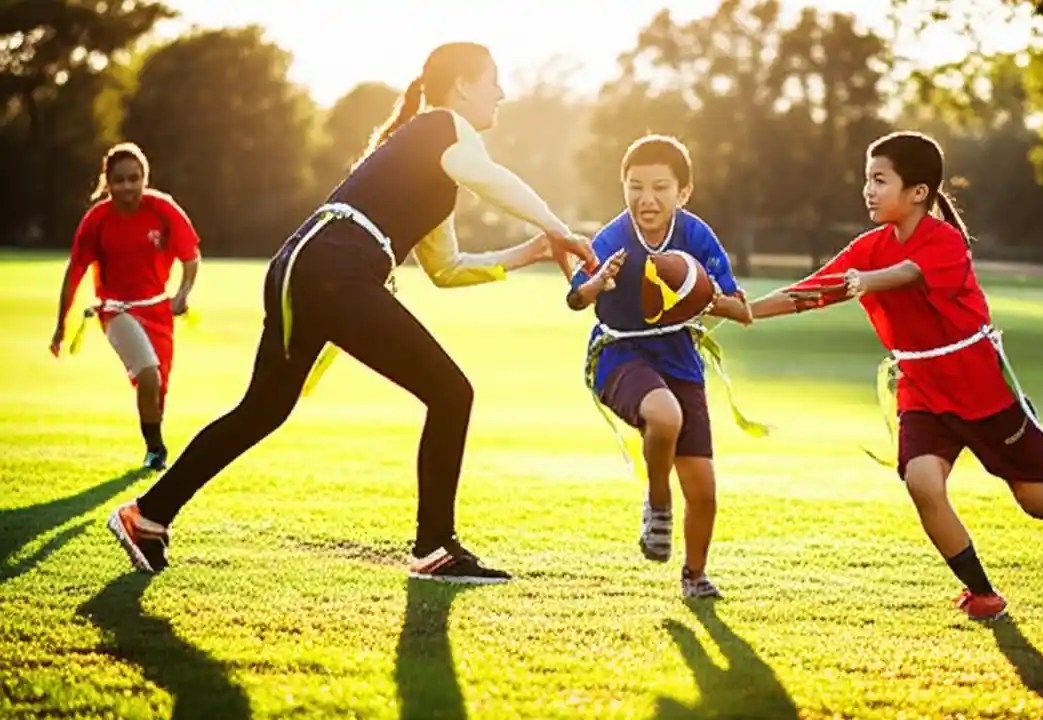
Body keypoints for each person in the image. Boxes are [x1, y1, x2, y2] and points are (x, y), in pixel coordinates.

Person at [106, 42, 596, 582]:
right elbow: (491, 178)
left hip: (308, 265)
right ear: (461, 86)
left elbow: (447, 268)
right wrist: (557, 226)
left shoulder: (436, 163)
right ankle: (435, 547)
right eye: (493, 80)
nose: (502, 93)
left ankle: (147, 516)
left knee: (263, 409)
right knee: (451, 392)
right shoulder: (445, 127)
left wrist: (529, 253)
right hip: (332, 268)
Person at [749, 131, 1043, 620]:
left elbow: (910, 274)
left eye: (879, 180)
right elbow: (812, 290)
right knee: (922, 482)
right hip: (921, 389)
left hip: (981, 389)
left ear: (918, 192)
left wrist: (865, 282)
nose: (867, 190)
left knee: (1032, 497)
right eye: (867, 179)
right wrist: (745, 310)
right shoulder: (867, 247)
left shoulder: (945, 241)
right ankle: (983, 593)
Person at [568, 134, 753, 598]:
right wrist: (598, 284)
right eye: (635, 186)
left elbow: (734, 305)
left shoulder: (696, 235)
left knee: (705, 490)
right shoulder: (613, 237)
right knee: (664, 414)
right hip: (619, 354)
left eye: (660, 188)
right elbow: (575, 297)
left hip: (678, 358)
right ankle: (657, 502)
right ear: (623, 187)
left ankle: (695, 576)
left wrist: (708, 295)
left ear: (682, 192)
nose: (646, 199)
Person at [50, 142, 201, 471]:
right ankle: (156, 449)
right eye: (119, 180)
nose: (127, 186)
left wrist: (183, 293)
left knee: (158, 387)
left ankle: (153, 437)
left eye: (135, 178)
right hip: (116, 310)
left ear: (145, 178)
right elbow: (75, 271)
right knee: (148, 374)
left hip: (158, 311)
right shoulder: (97, 220)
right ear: (108, 181)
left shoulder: (163, 209)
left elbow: (191, 256)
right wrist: (61, 325)